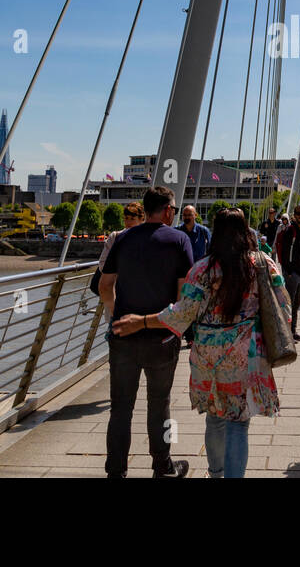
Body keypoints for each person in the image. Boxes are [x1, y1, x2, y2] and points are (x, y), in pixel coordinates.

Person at [113, 209, 293, 478]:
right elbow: (284, 308)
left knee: (215, 418)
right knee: (238, 424)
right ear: (245, 231)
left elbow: (183, 312)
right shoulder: (262, 264)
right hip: (246, 354)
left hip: (208, 356)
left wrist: (142, 321)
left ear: (216, 234)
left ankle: (215, 473)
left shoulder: (203, 268)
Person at [98, 186, 194, 478]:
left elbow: (104, 286)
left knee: (121, 408)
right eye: (174, 210)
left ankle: (116, 470)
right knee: (159, 404)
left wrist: (120, 317)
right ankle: (162, 466)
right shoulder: (179, 240)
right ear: (167, 211)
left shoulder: (122, 239)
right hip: (161, 337)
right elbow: (183, 296)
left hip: (123, 338)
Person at [91, 201, 144, 302]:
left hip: (137, 293)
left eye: (132, 219)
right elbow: (102, 264)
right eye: (126, 218)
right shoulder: (115, 237)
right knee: (113, 316)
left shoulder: (146, 240)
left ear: (141, 220)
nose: (128, 222)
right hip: (114, 292)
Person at [274, 204, 300, 341]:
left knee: (296, 304)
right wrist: (288, 271)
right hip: (293, 273)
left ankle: (293, 331)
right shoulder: (290, 230)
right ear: (294, 215)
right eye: (298, 213)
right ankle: (287, 333)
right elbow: (284, 252)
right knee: (289, 304)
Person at [176, 205, 212, 347]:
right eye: (184, 215)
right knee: (187, 305)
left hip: (200, 275)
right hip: (183, 276)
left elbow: (211, 250)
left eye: (189, 215)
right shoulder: (178, 231)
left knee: (200, 305)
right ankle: (190, 337)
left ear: (195, 215)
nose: (186, 217)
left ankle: (199, 334)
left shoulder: (203, 231)